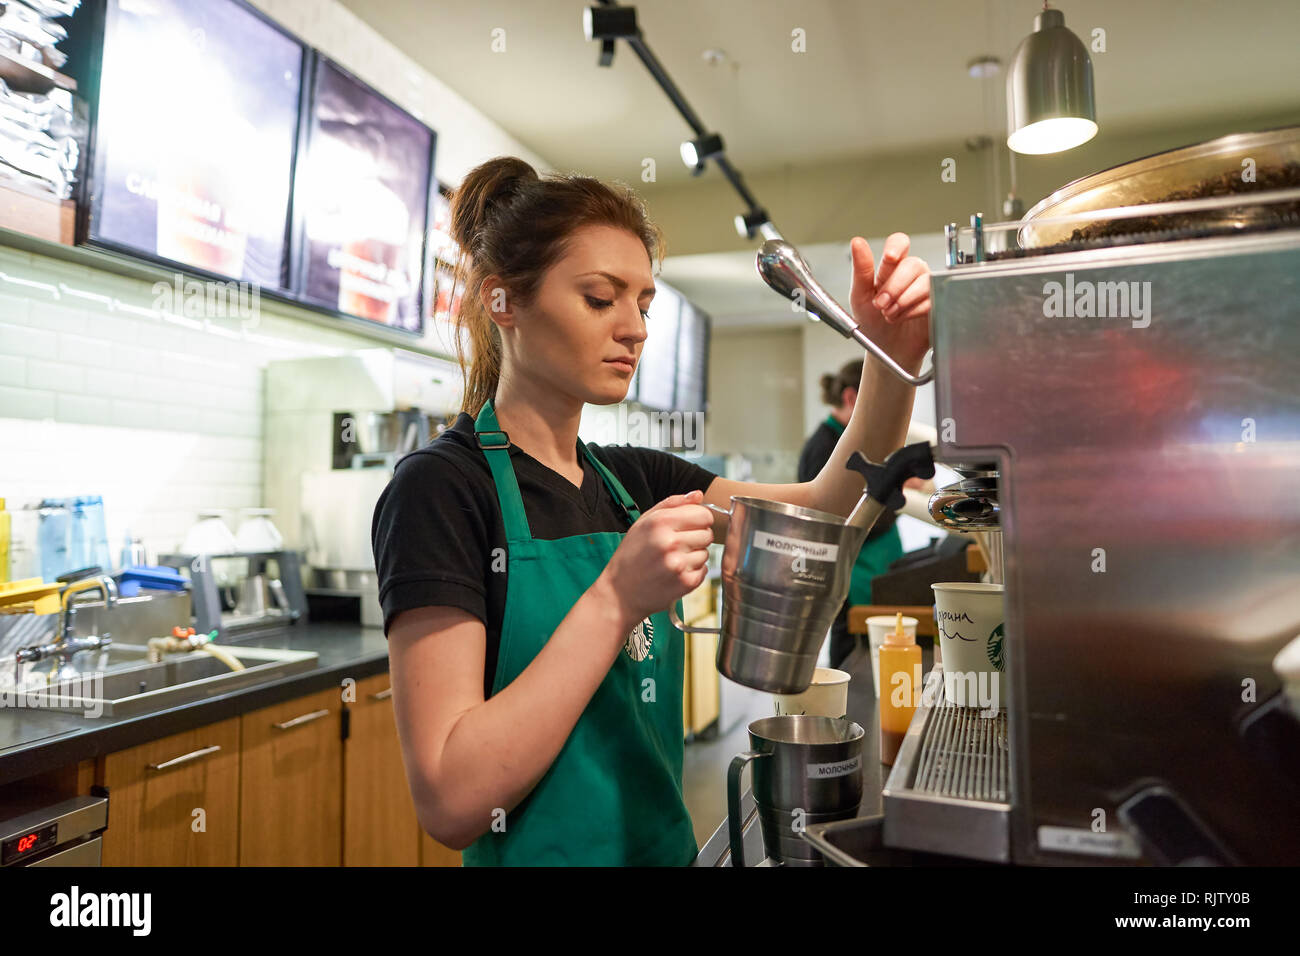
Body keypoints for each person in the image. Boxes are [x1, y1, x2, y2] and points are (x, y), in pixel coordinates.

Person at [371, 156, 931, 866]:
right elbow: (452, 800)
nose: (634, 328)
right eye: (602, 298)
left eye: (643, 304)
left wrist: (891, 356)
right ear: (503, 301)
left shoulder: (633, 477)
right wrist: (615, 599)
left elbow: (830, 502)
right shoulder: (442, 489)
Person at [799, 359, 905, 670]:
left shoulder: (853, 442)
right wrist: (898, 493)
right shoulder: (824, 448)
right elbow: (838, 521)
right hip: (852, 579)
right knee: (851, 667)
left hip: (874, 572)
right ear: (850, 398)